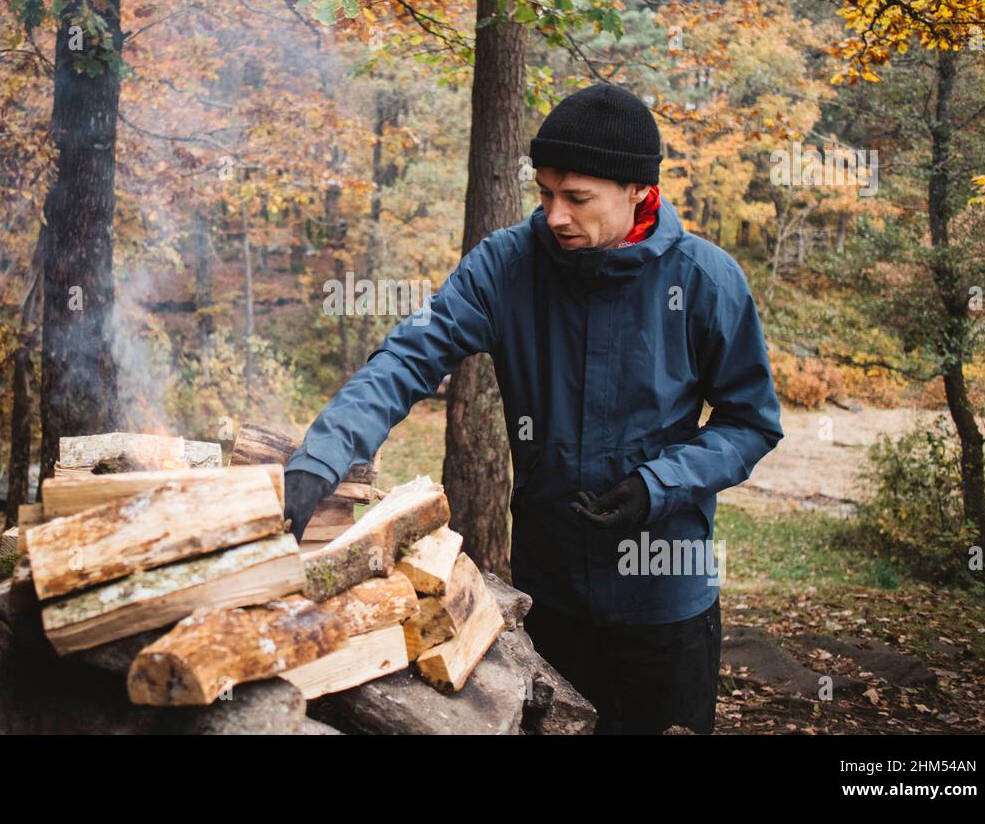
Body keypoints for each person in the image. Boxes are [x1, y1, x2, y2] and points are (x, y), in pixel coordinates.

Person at [281, 83, 783, 733]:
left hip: (665, 608)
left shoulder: (706, 280)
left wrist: (657, 484)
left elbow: (751, 421)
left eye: (577, 198)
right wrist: (321, 455)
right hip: (550, 602)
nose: (555, 215)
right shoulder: (507, 266)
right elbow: (409, 357)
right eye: (545, 193)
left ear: (638, 192)